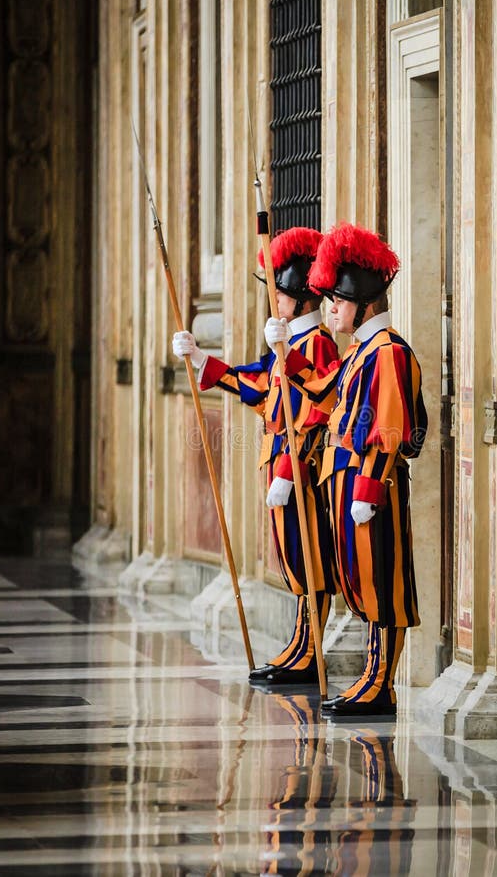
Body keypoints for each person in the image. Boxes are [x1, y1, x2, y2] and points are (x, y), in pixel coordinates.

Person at [264, 222, 427, 716]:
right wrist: (286, 357)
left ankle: (381, 683)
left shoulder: (389, 352)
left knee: (383, 585)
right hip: (351, 486)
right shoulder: (361, 353)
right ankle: (370, 677)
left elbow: (392, 428)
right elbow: (326, 393)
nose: (329, 306)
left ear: (366, 303)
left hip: (369, 488)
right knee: (361, 582)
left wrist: (368, 486)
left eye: (337, 297)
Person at [173, 227, 339, 686]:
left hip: (302, 469)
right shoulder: (287, 344)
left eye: (281, 295)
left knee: (309, 560)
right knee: (291, 559)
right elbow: (259, 384)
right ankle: (300, 643)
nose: (275, 302)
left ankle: (309, 649)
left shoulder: (318, 344)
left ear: (303, 300)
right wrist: (204, 360)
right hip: (280, 465)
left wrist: (287, 470)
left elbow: (313, 414)